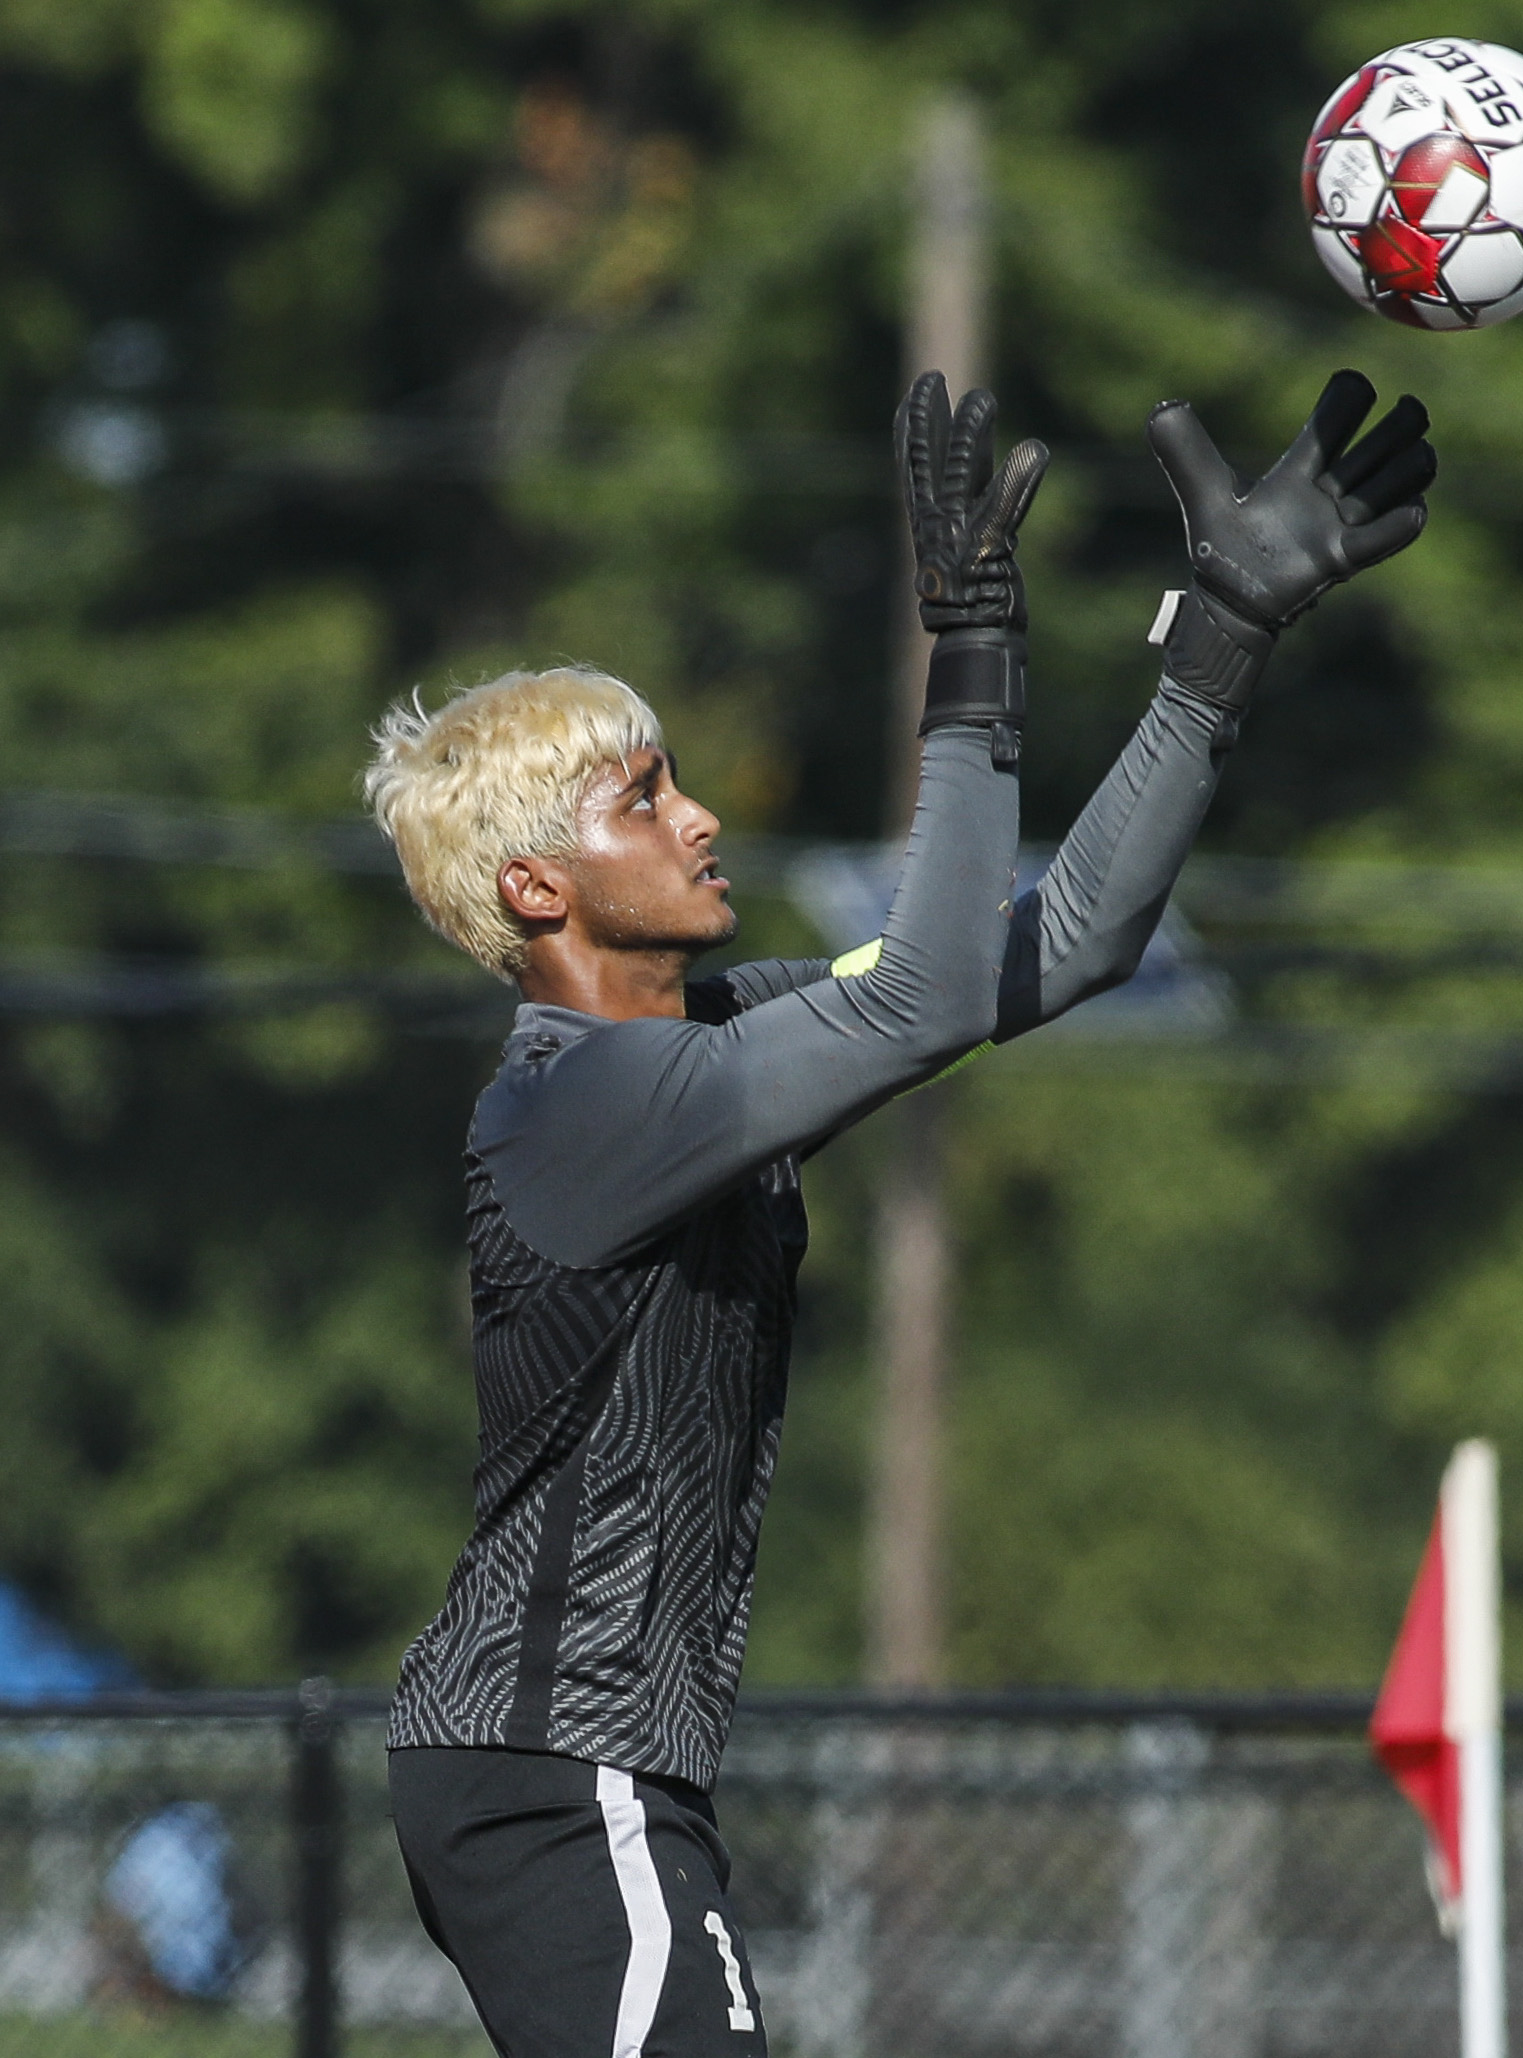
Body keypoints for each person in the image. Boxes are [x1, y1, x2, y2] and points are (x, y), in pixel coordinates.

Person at [362, 367, 1436, 2057]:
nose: (699, 812)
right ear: (533, 887)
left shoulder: (705, 1045)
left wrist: (1221, 635)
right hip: (555, 1769)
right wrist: (975, 657)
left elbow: (1062, 940)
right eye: (643, 797)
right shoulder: (575, 1104)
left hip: (585, 1767)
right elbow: (925, 991)